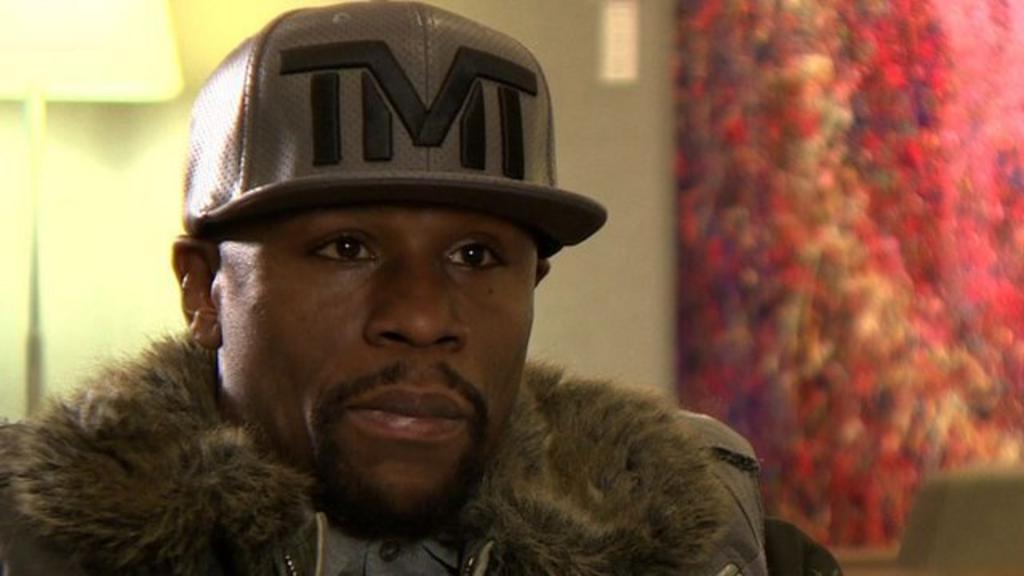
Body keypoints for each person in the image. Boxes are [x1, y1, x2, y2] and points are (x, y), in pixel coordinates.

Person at [0, 2, 840, 574]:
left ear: (535, 285)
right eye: (346, 247)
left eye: (476, 256)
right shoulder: (30, 546)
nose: (422, 315)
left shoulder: (723, 549)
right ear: (203, 289)